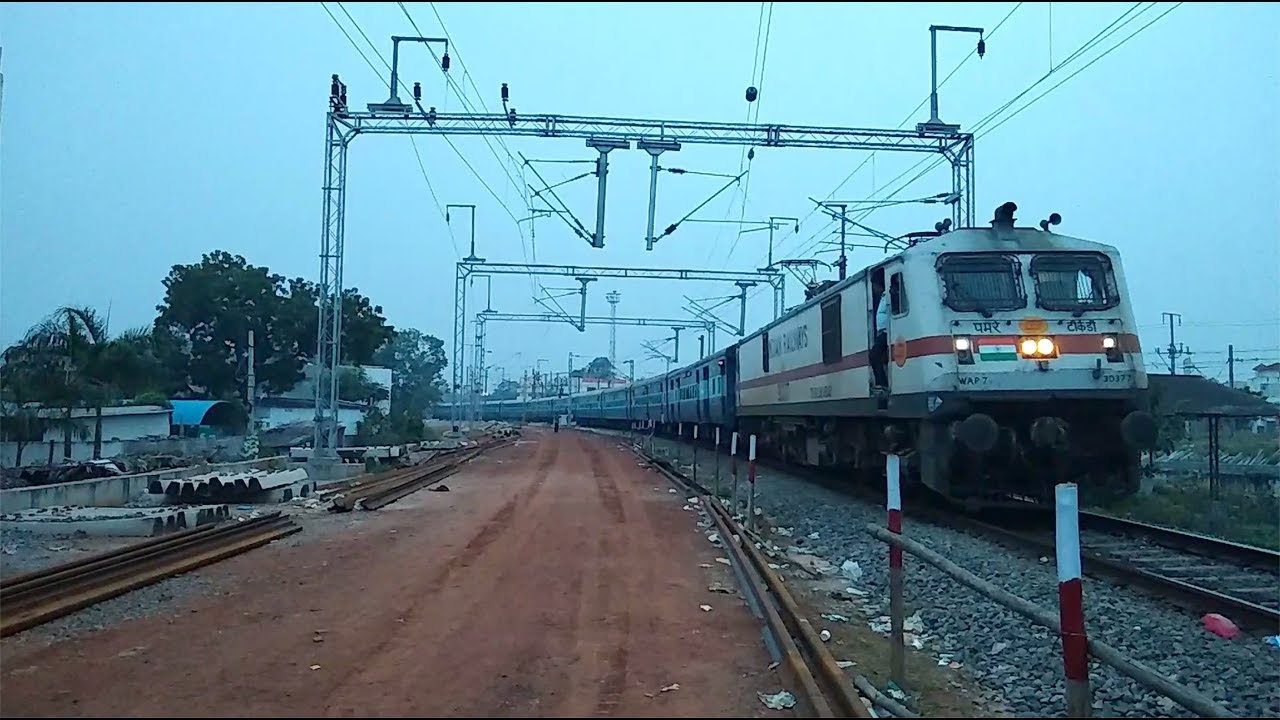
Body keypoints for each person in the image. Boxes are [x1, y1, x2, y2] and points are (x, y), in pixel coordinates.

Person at [871, 280, 889, 389]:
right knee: (878, 357)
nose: (873, 289)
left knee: (874, 356)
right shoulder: (883, 296)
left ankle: (882, 383)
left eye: (874, 286)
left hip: (886, 332)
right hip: (882, 332)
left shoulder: (887, 295)